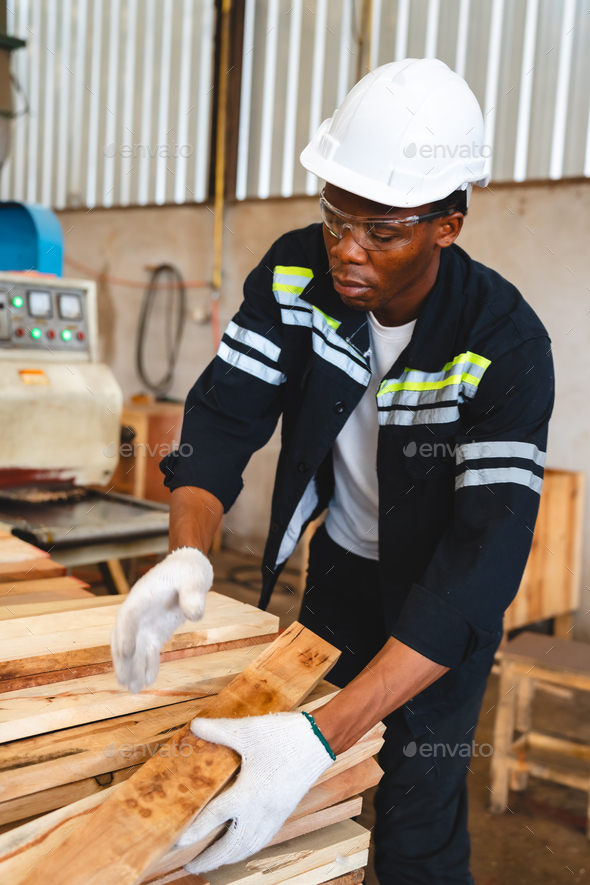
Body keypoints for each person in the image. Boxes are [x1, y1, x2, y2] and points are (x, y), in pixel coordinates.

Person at [111, 58, 554, 884]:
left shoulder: (506, 344)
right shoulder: (293, 273)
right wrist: (186, 553)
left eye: (381, 232)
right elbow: (224, 415)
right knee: (298, 810)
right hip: (341, 573)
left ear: (447, 225)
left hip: (435, 611)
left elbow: (479, 567)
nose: (348, 252)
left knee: (414, 821)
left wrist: (325, 732)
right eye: (335, 220)